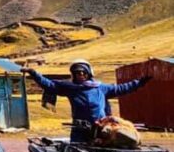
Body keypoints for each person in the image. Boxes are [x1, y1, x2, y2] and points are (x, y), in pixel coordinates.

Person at [22, 59, 151, 142]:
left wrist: (140, 82)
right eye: (77, 73)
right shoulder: (70, 88)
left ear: (89, 73)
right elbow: (49, 85)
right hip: (79, 131)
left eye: (83, 72)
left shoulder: (101, 88)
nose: (81, 75)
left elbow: (122, 88)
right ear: (73, 74)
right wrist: (33, 73)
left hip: (101, 130)